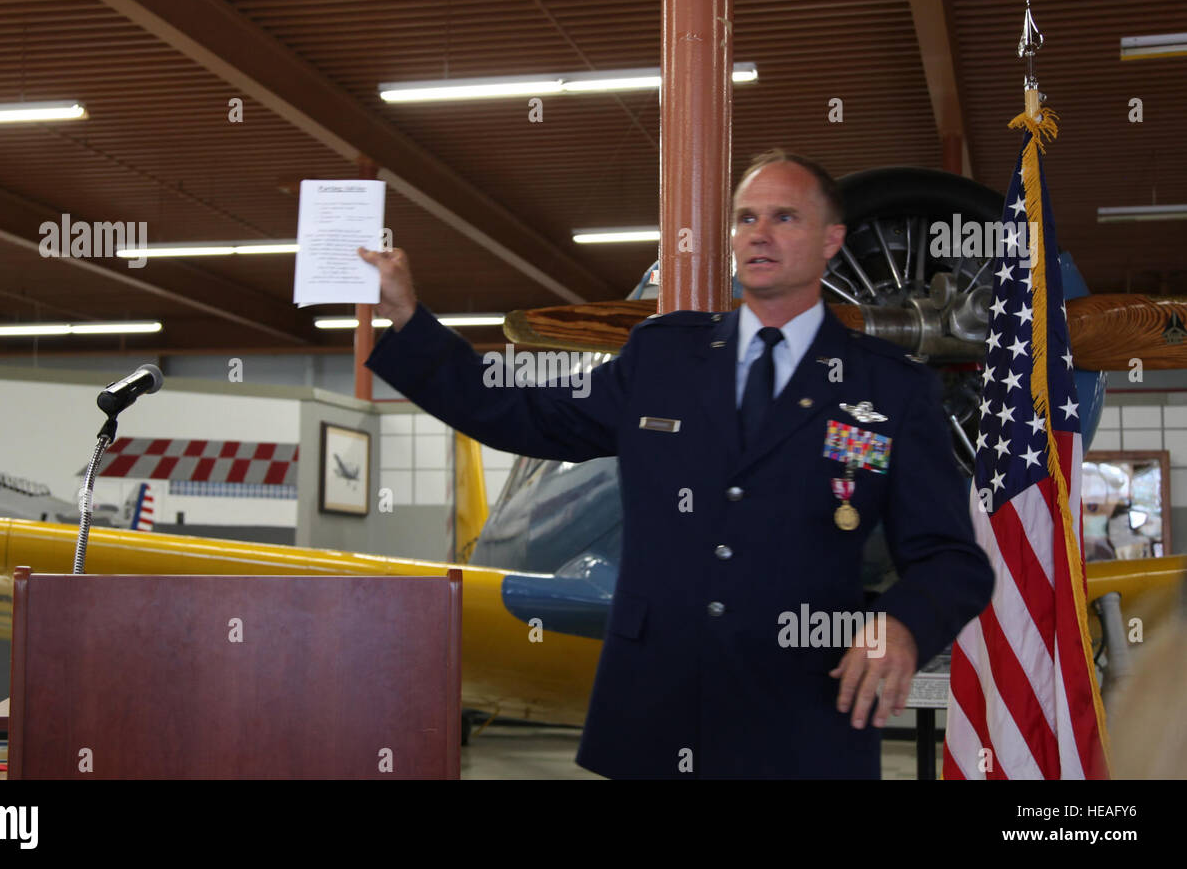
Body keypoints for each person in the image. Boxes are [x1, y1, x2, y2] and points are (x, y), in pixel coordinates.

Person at [359, 149, 993, 779]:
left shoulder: (894, 388)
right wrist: (408, 318)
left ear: (833, 241)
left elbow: (950, 558)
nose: (760, 234)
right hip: (655, 720)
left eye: (784, 217)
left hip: (804, 721)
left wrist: (903, 624)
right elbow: (521, 413)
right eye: (746, 219)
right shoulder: (662, 358)